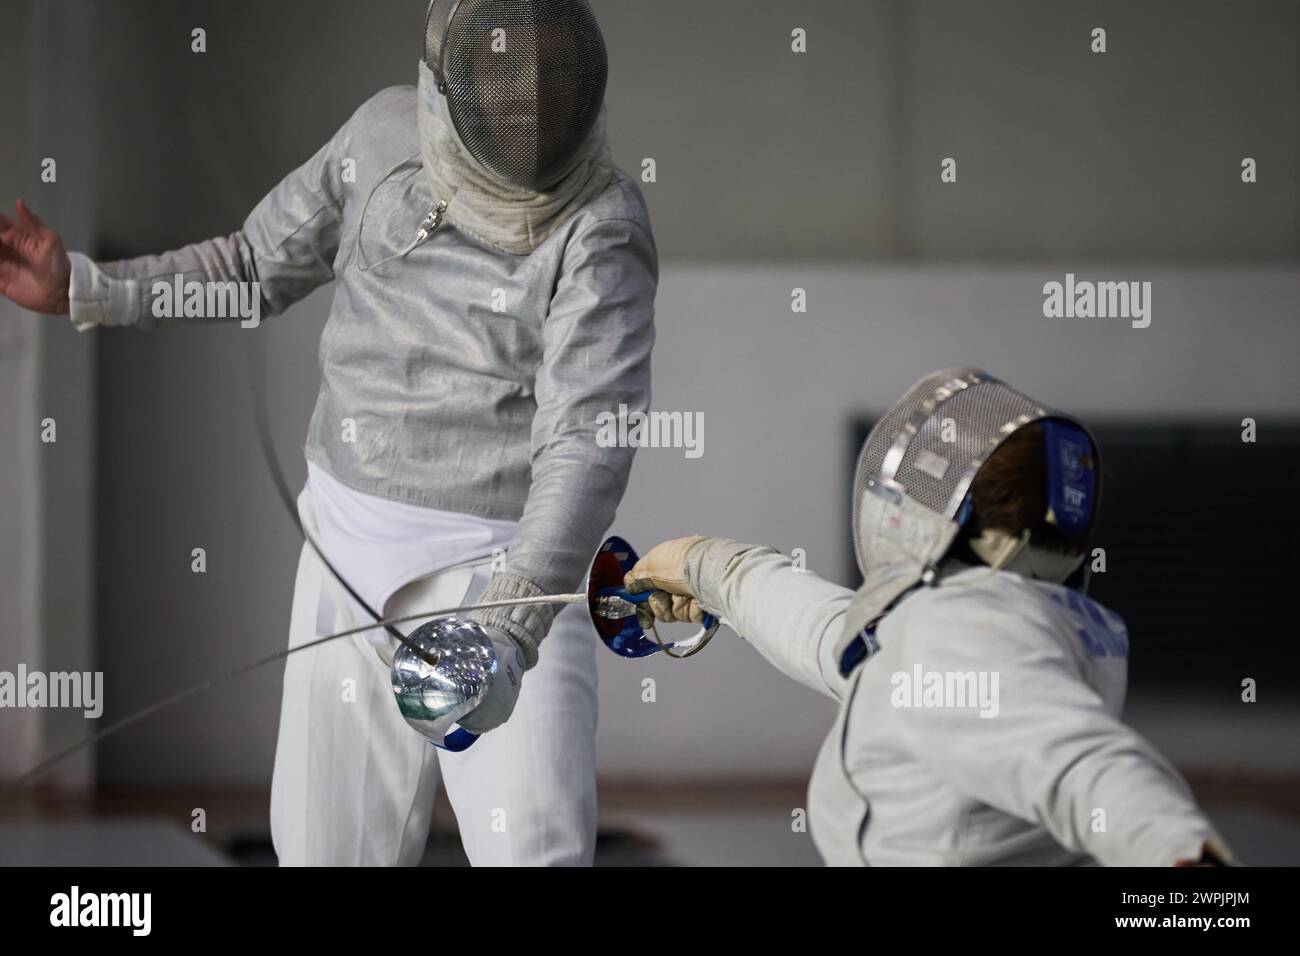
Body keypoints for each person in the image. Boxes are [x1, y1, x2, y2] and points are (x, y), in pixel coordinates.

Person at [0, 0, 655, 867]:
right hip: (346, 557)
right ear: (442, 98)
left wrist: (508, 628)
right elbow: (247, 267)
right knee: (324, 854)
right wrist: (89, 289)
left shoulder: (602, 224)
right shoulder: (380, 136)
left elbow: (587, 441)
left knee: (534, 850)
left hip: (505, 572)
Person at [625, 368, 1231, 866]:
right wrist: (717, 571)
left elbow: (1085, 766)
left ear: (955, 512)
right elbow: (846, 645)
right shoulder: (1008, 624)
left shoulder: (963, 634)